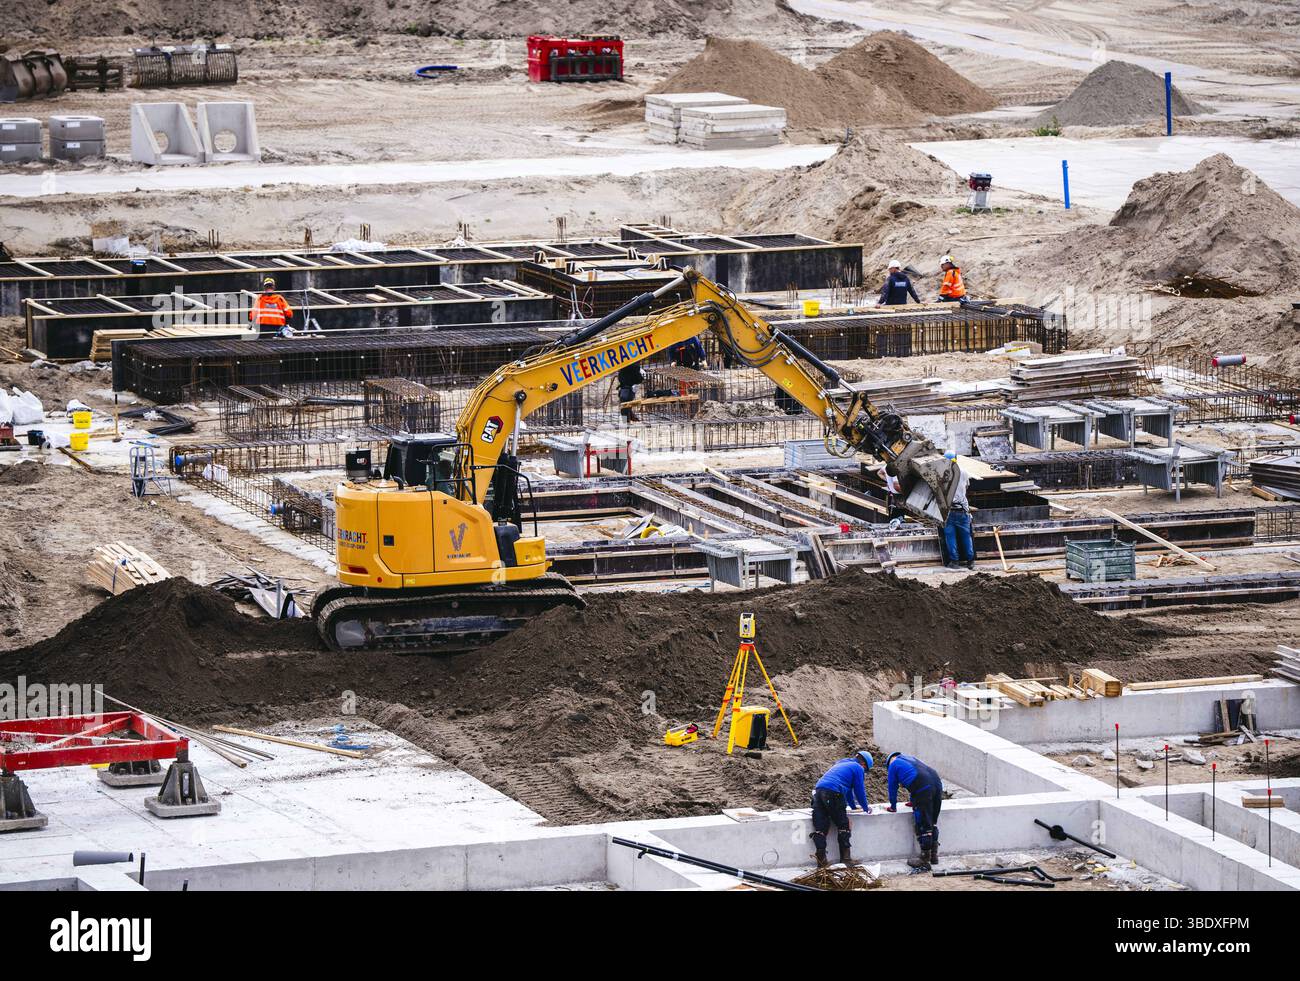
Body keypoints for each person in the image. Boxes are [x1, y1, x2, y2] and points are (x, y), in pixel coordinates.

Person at [810, 750, 873, 868]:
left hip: (818, 792)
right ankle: (846, 859)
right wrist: (865, 807)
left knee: (821, 827)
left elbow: (848, 791)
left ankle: (821, 861)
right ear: (864, 764)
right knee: (844, 825)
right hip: (833, 793)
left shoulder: (842, 764)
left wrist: (853, 806)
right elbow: (859, 790)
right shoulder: (858, 768)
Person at [885, 751, 944, 870]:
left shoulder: (893, 765)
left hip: (923, 788)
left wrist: (893, 806)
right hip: (937, 783)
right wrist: (913, 801)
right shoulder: (911, 759)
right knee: (932, 821)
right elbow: (918, 775)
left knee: (922, 822)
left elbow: (892, 787)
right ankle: (934, 856)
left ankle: (924, 858)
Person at [941, 451, 976, 571]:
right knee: (966, 536)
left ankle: (954, 562)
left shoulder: (942, 473)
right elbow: (966, 487)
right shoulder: (964, 472)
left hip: (949, 511)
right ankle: (970, 561)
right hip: (962, 510)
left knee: (950, 537)